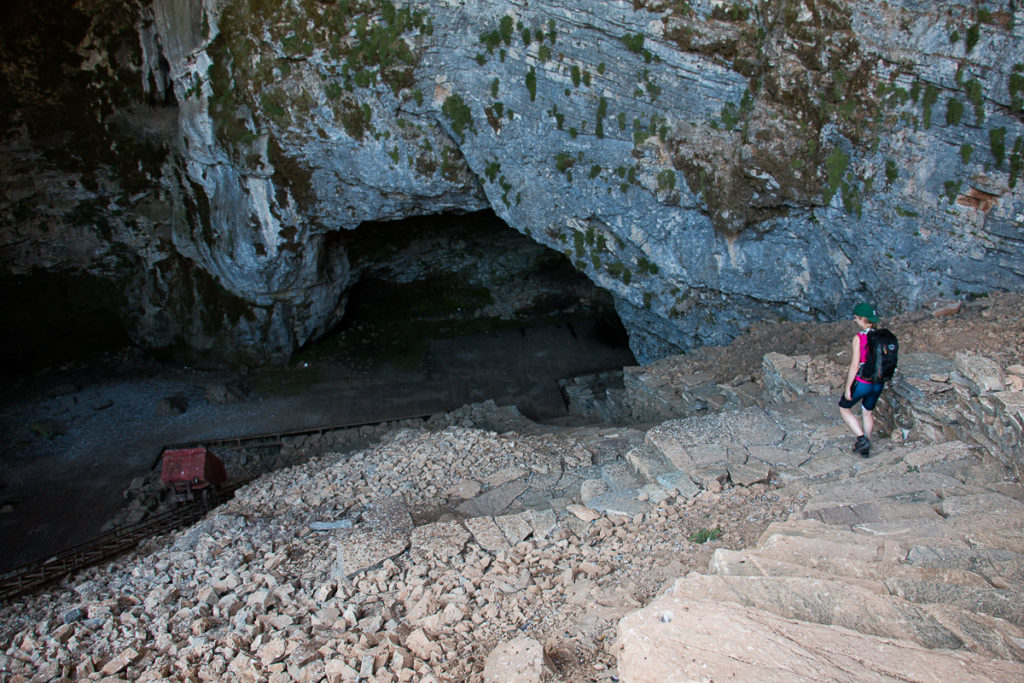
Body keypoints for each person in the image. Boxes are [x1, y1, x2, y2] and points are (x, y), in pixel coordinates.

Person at [838, 302, 885, 457]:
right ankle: (866, 447)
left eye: (856, 318)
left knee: (844, 408)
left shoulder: (859, 338)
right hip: (878, 382)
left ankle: (861, 438)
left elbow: (854, 366)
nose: (855, 321)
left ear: (863, 319)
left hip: (863, 382)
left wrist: (848, 388)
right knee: (867, 412)